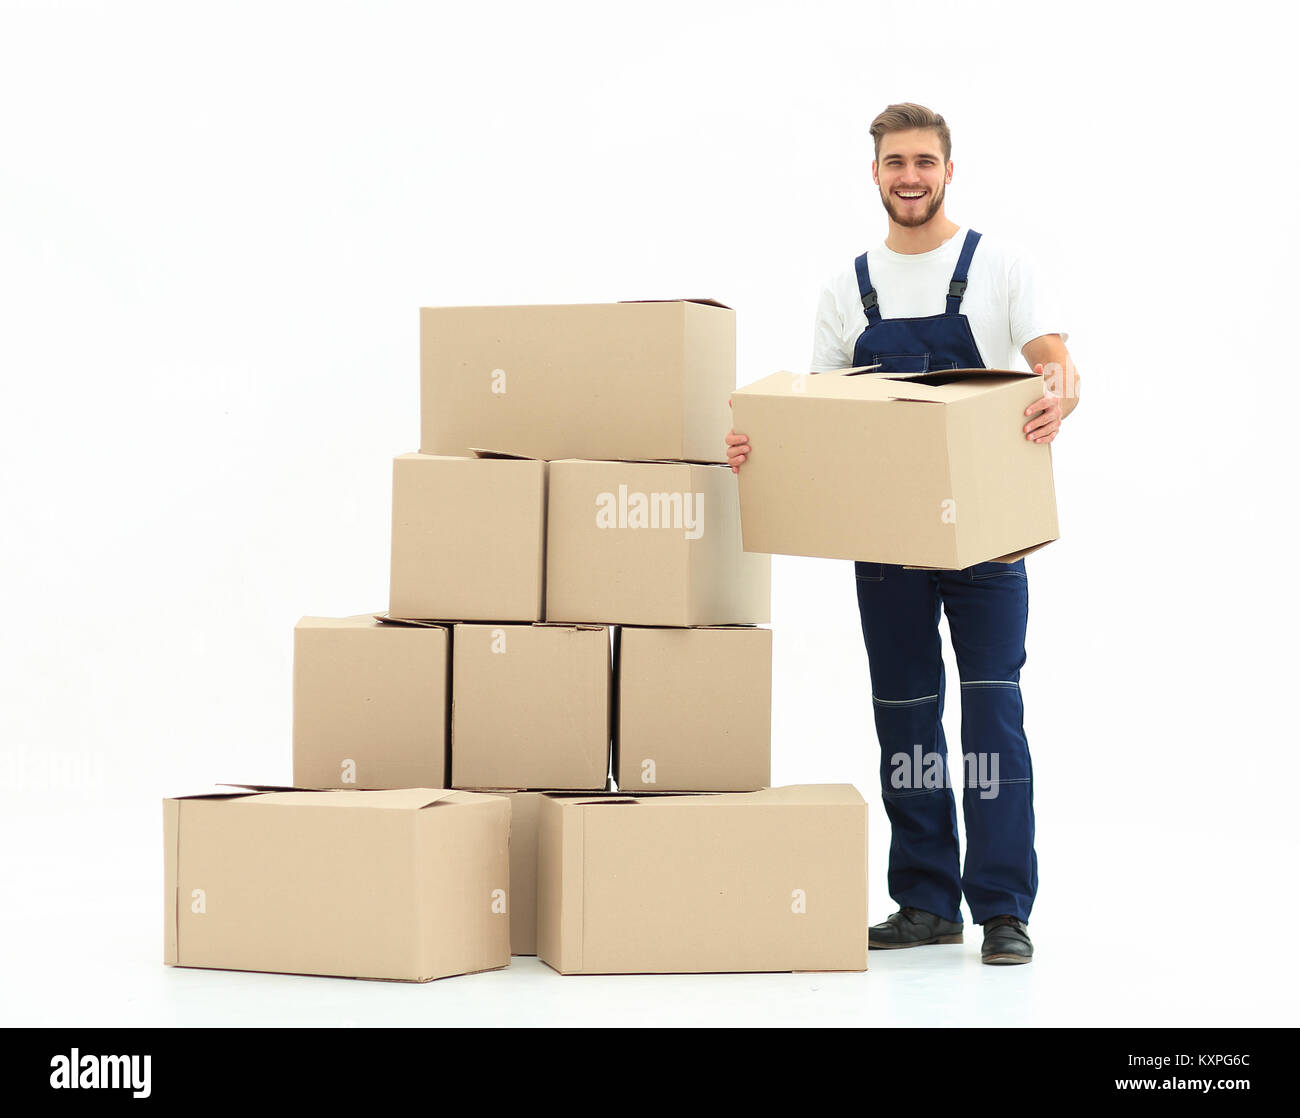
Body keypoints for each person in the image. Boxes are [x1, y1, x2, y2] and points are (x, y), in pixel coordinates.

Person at [725, 102, 1080, 966]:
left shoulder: (999, 264)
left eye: (925, 162)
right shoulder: (847, 287)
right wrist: (757, 447)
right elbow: (816, 414)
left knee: (993, 716)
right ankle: (925, 900)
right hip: (887, 542)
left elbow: (1051, 355)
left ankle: (1002, 907)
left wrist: (1063, 388)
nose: (910, 177)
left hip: (990, 540)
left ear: (948, 170)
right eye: (896, 164)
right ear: (875, 173)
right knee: (907, 718)